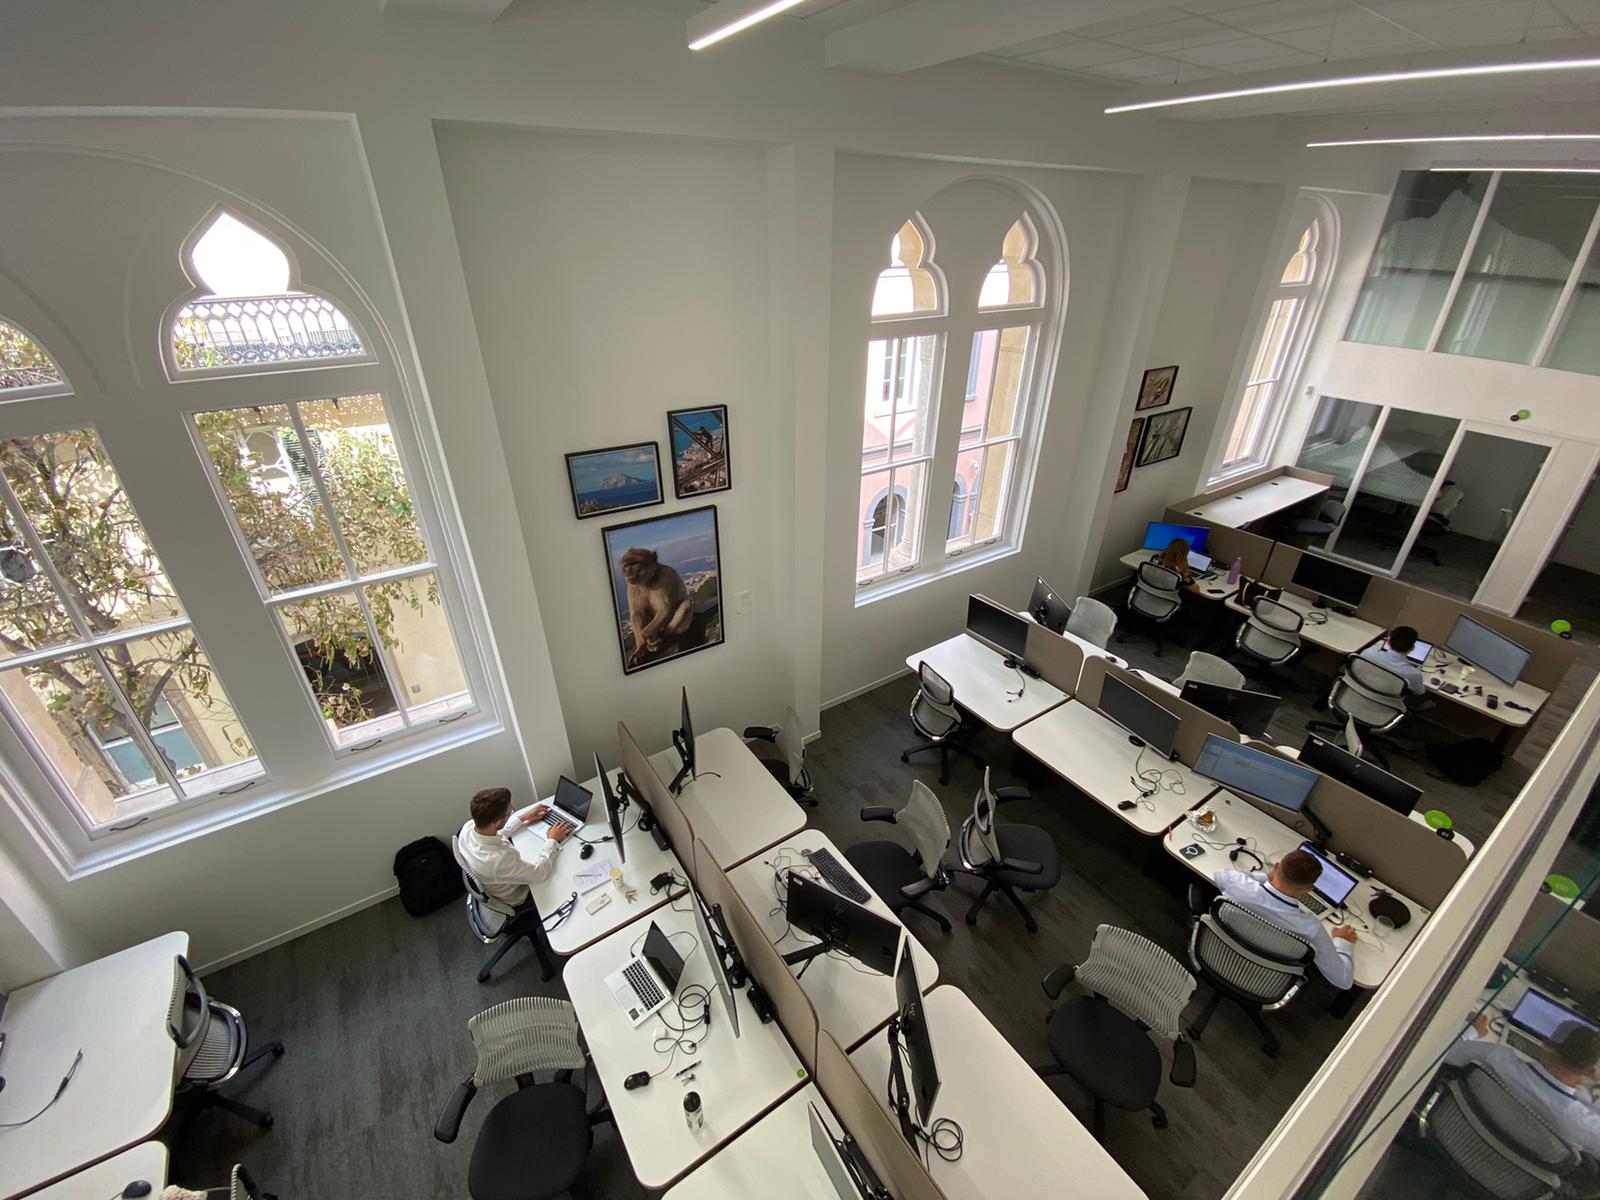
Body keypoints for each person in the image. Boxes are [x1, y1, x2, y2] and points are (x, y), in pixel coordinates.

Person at [1443, 1016, 1600, 1159]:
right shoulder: (1583, 1123)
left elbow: (1444, 1053)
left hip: (1452, 1134)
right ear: (1590, 1071)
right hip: (1505, 1177)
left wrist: (1472, 1030)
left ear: (1544, 1044)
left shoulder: (1495, 1058)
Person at [1213, 848, 1356, 990]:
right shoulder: (1311, 929)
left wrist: (1267, 877)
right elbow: (1343, 980)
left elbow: (1219, 874)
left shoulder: (1239, 886)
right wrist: (1343, 941)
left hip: (1215, 955)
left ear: (1276, 867)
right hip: (1257, 981)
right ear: (1309, 889)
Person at [455, 786, 572, 908]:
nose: (511, 811)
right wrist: (552, 840)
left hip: (503, 876)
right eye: (509, 811)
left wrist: (523, 818)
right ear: (498, 822)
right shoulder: (498, 860)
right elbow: (539, 873)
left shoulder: (467, 829)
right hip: (521, 895)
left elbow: (497, 833)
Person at [1358, 624, 1427, 696]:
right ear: (1412, 648)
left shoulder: (1367, 653)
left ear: (1388, 642)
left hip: (1356, 694)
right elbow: (1419, 693)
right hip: (1383, 703)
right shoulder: (1414, 674)